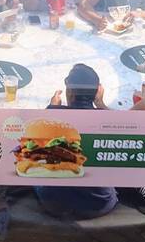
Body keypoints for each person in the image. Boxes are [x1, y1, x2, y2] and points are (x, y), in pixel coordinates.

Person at [35, 63, 118, 221]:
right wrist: (101, 104)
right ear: (96, 94)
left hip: (56, 203)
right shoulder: (108, 120)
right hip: (101, 203)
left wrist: (51, 108)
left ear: (70, 92)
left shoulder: (52, 115)